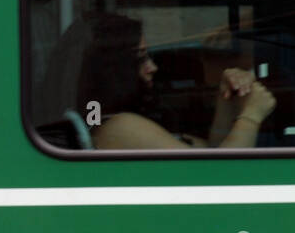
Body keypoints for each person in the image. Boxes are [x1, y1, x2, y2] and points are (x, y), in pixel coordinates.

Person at [74, 12, 276, 149]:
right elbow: (219, 178)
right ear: (114, 68)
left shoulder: (129, 121)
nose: (153, 67)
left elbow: (214, 154)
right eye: (140, 58)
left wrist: (227, 97)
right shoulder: (120, 127)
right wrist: (252, 115)